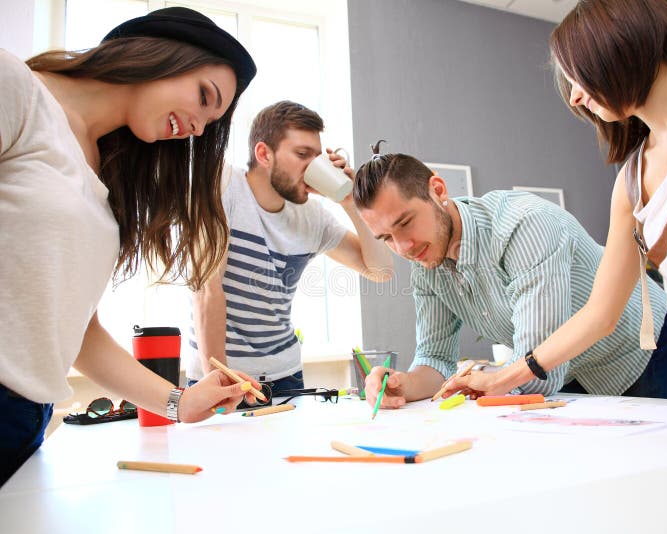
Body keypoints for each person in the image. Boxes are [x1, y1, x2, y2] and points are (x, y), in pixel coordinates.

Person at [448, 0, 667, 454]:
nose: (575, 97)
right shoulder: (630, 180)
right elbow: (600, 313)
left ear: (613, 42)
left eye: (576, 77)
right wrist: (504, 377)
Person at [0, 7, 265, 486]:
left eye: (211, 121)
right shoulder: (17, 88)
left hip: (25, 421)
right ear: (158, 52)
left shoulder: (103, 172)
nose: (197, 129)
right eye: (204, 96)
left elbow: (79, 331)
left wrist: (179, 403)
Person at [353, 150, 667, 408]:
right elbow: (436, 358)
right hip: (559, 371)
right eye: (386, 239)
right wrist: (403, 385)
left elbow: (540, 369)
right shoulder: (425, 261)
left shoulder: (523, 226)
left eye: (406, 222)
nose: (404, 247)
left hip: (636, 349)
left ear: (437, 190)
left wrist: (482, 377)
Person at [187, 101, 393, 398]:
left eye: (317, 157)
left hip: (285, 377)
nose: (312, 167)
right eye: (301, 155)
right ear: (263, 154)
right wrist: (219, 380)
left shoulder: (313, 218)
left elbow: (381, 271)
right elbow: (206, 290)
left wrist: (350, 201)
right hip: (221, 373)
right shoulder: (223, 186)